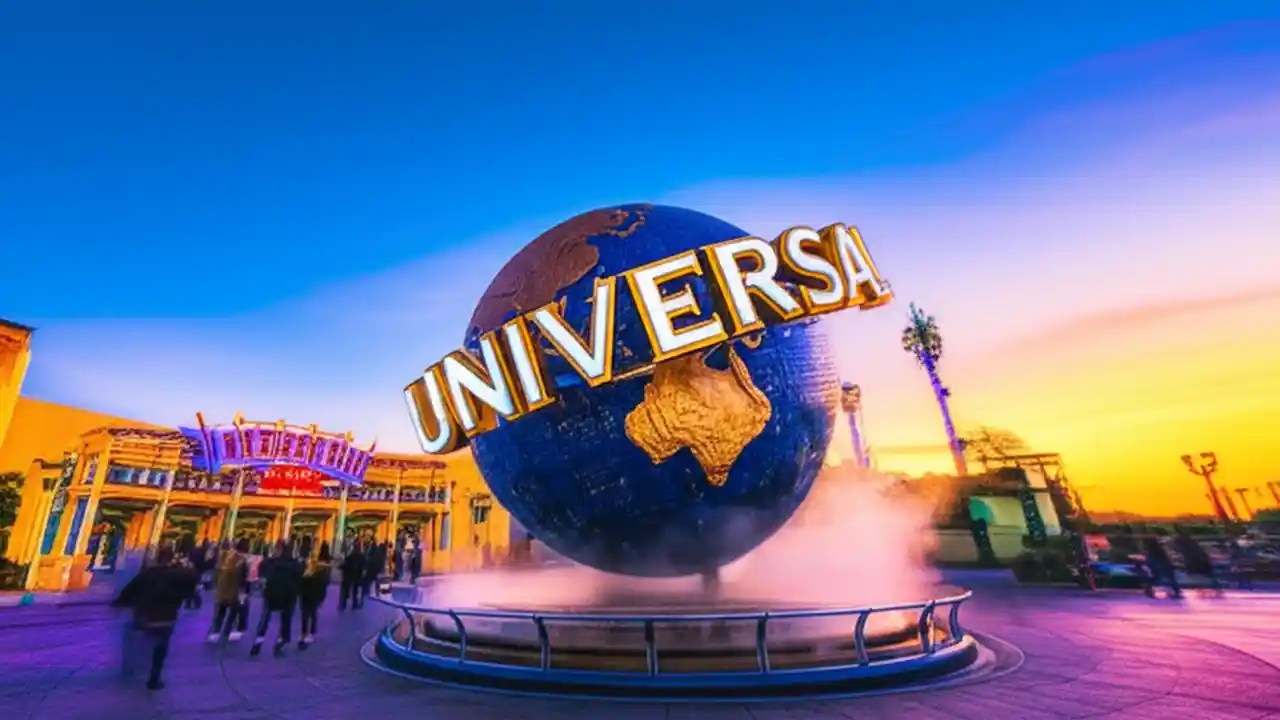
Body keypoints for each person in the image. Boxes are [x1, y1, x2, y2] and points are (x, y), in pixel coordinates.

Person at [111, 547, 198, 690]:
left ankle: (129, 668)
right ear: (171, 559)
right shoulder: (177, 576)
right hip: (166, 618)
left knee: (136, 639)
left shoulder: (148, 574)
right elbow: (190, 584)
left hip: (145, 615)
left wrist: (120, 602)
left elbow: (130, 590)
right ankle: (154, 678)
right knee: (160, 648)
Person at [251, 540, 303, 657]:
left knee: (266, 619)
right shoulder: (295, 565)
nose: (275, 551)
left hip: (272, 594)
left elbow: (262, 573)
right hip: (288, 596)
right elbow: (300, 579)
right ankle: (281, 640)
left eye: (277, 549)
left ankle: (259, 641)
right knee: (285, 619)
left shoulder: (270, 563)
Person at [207, 539, 249, 643]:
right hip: (234, 591)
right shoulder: (242, 560)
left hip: (222, 590)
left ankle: (215, 633)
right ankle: (227, 632)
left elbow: (217, 571)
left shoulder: (225, 556)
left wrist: (215, 584)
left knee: (220, 612)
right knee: (233, 613)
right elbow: (243, 578)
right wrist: (244, 592)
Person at [298, 543, 332, 649]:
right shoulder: (307, 568)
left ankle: (310, 633)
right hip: (307, 594)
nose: (312, 559)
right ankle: (305, 634)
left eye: (314, 556)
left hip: (312, 594)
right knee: (306, 615)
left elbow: (322, 583)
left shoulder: (321, 569)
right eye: (311, 556)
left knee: (311, 614)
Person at [1142, 535, 1182, 600]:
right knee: (1170, 578)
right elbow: (1164, 558)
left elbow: (1149, 560)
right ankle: (1177, 591)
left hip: (1158, 567)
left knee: (1153, 579)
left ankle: (1148, 590)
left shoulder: (1151, 550)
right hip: (1163, 567)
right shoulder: (1159, 549)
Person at [339, 539, 366, 610]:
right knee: (355, 591)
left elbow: (345, 565)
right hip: (357, 577)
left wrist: (341, 567)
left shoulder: (350, 556)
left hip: (349, 576)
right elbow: (364, 567)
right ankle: (354, 604)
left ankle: (343, 605)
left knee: (346, 590)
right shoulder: (362, 557)